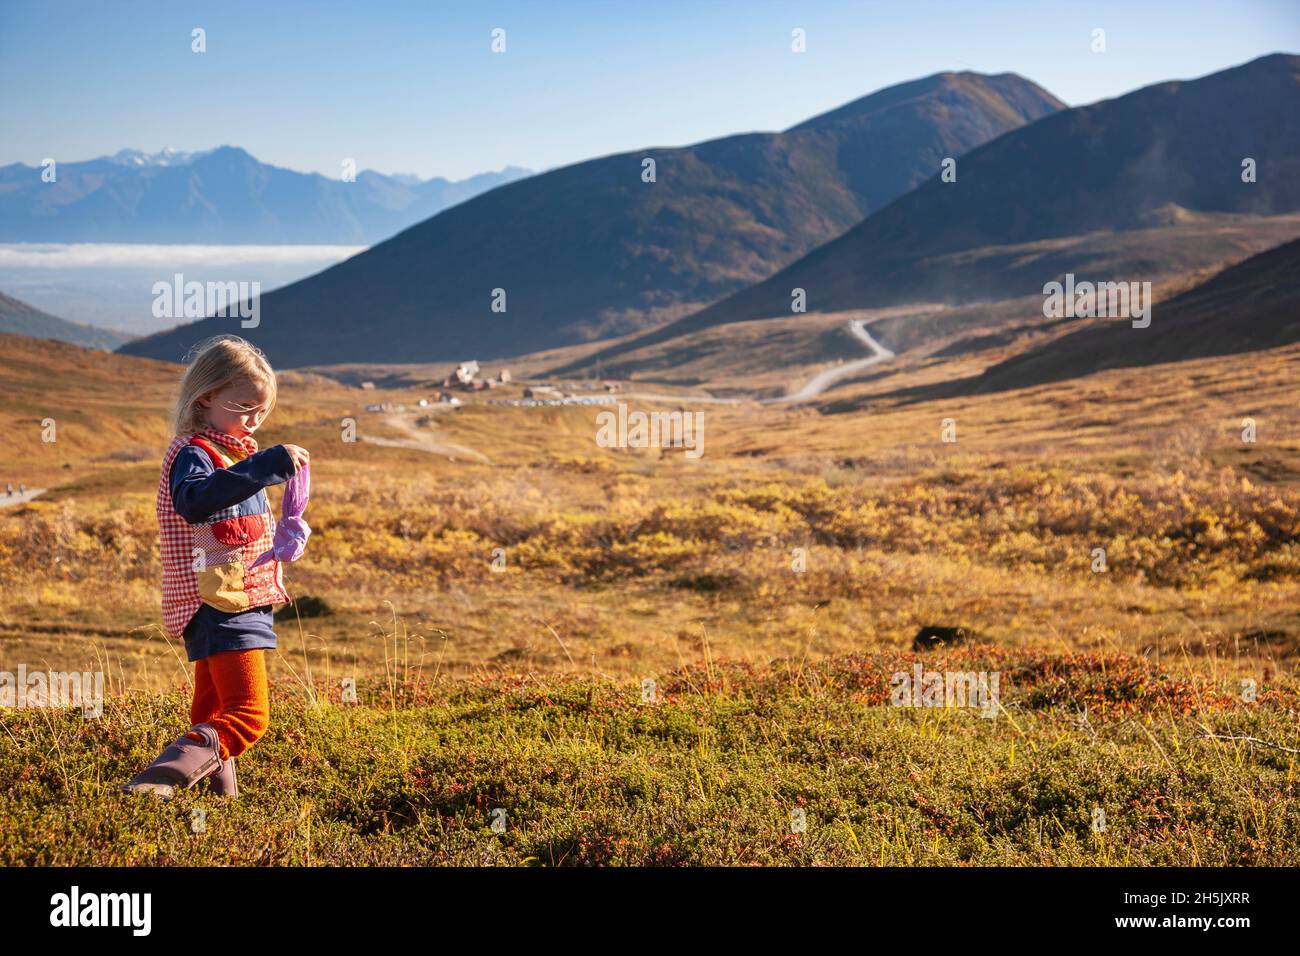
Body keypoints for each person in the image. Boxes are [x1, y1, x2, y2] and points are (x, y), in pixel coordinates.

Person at [123, 335, 309, 800]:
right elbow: (195, 502)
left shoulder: (229, 452)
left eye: (261, 411)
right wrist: (267, 465)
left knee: (213, 709)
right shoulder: (194, 453)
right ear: (205, 397)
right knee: (249, 714)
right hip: (221, 603)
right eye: (244, 406)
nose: (253, 419)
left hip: (237, 597)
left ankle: (215, 802)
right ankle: (157, 782)